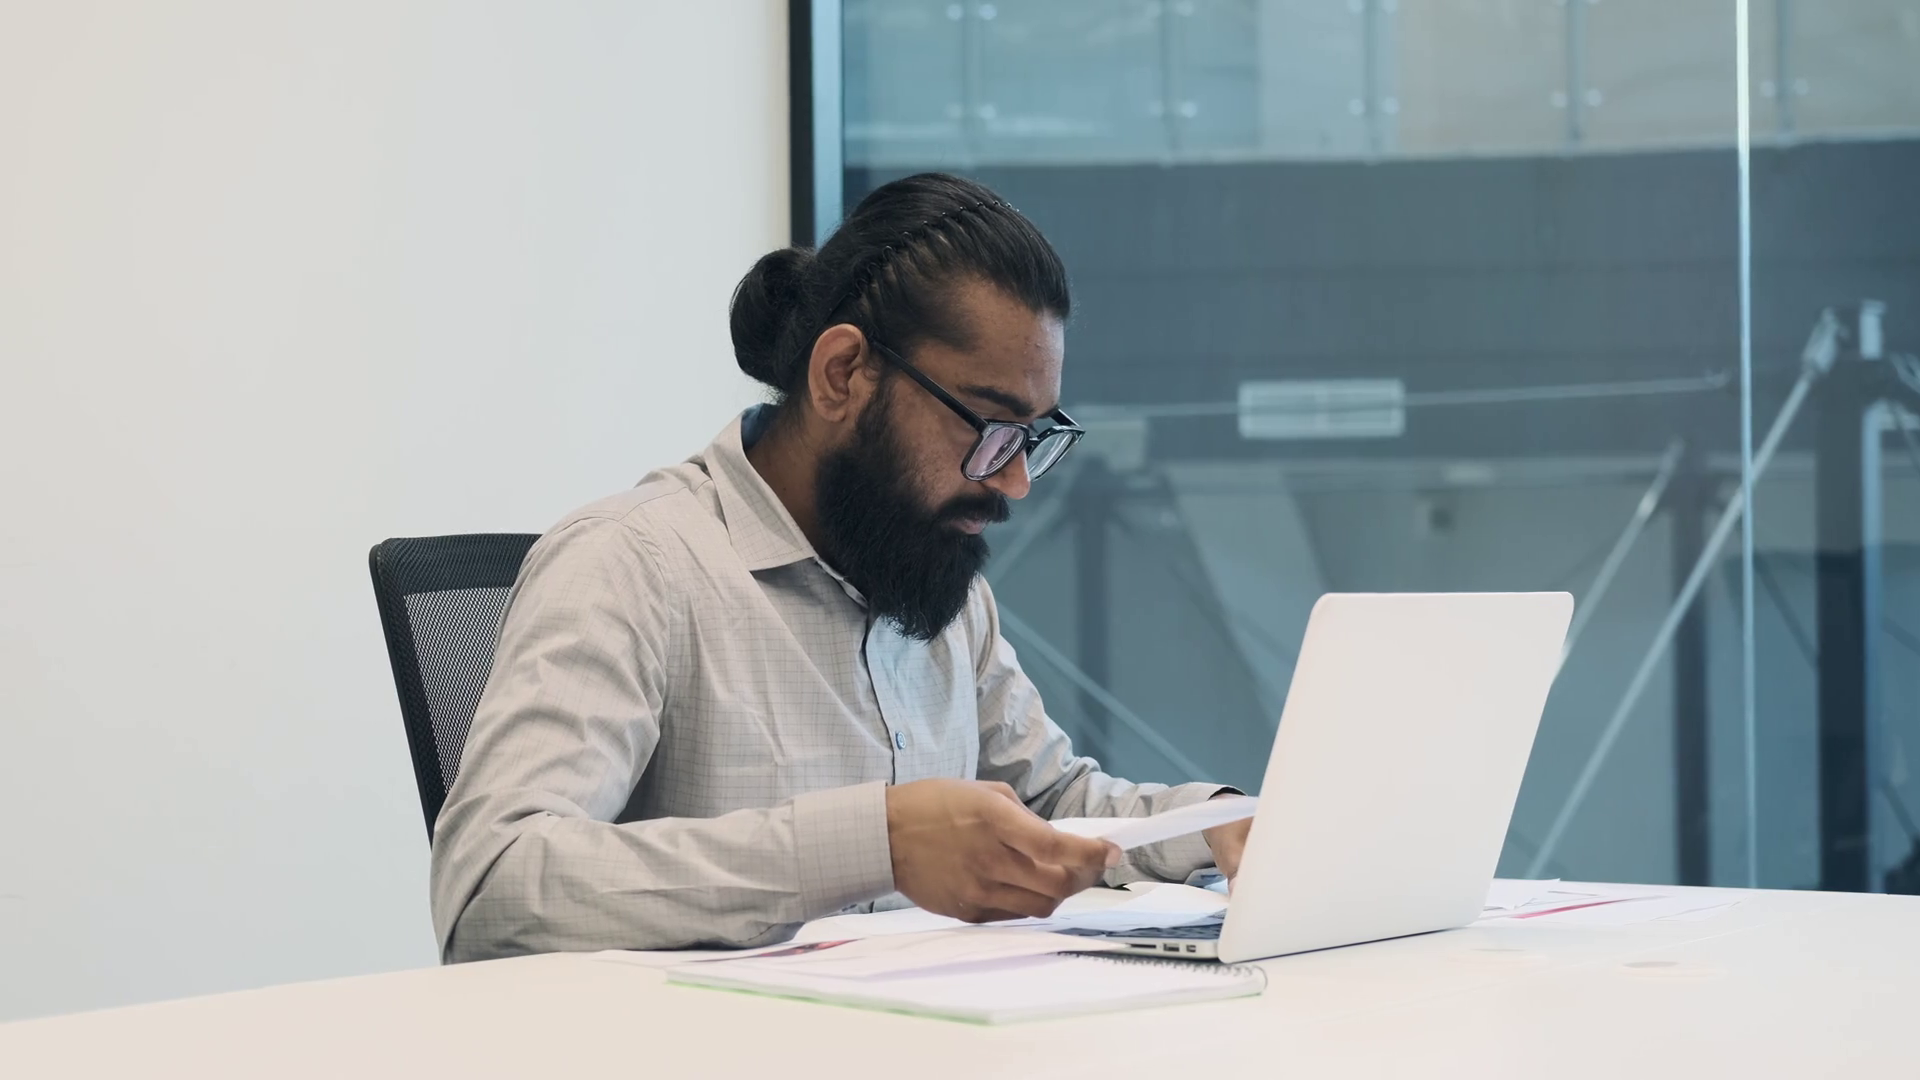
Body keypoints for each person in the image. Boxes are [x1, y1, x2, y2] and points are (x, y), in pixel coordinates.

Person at [430, 173, 1250, 962]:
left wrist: (1214, 822)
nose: (1014, 481)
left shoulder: (931, 572)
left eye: (1033, 437)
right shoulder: (631, 565)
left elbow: (1050, 806)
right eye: (989, 427)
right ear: (842, 375)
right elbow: (493, 888)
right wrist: (874, 843)